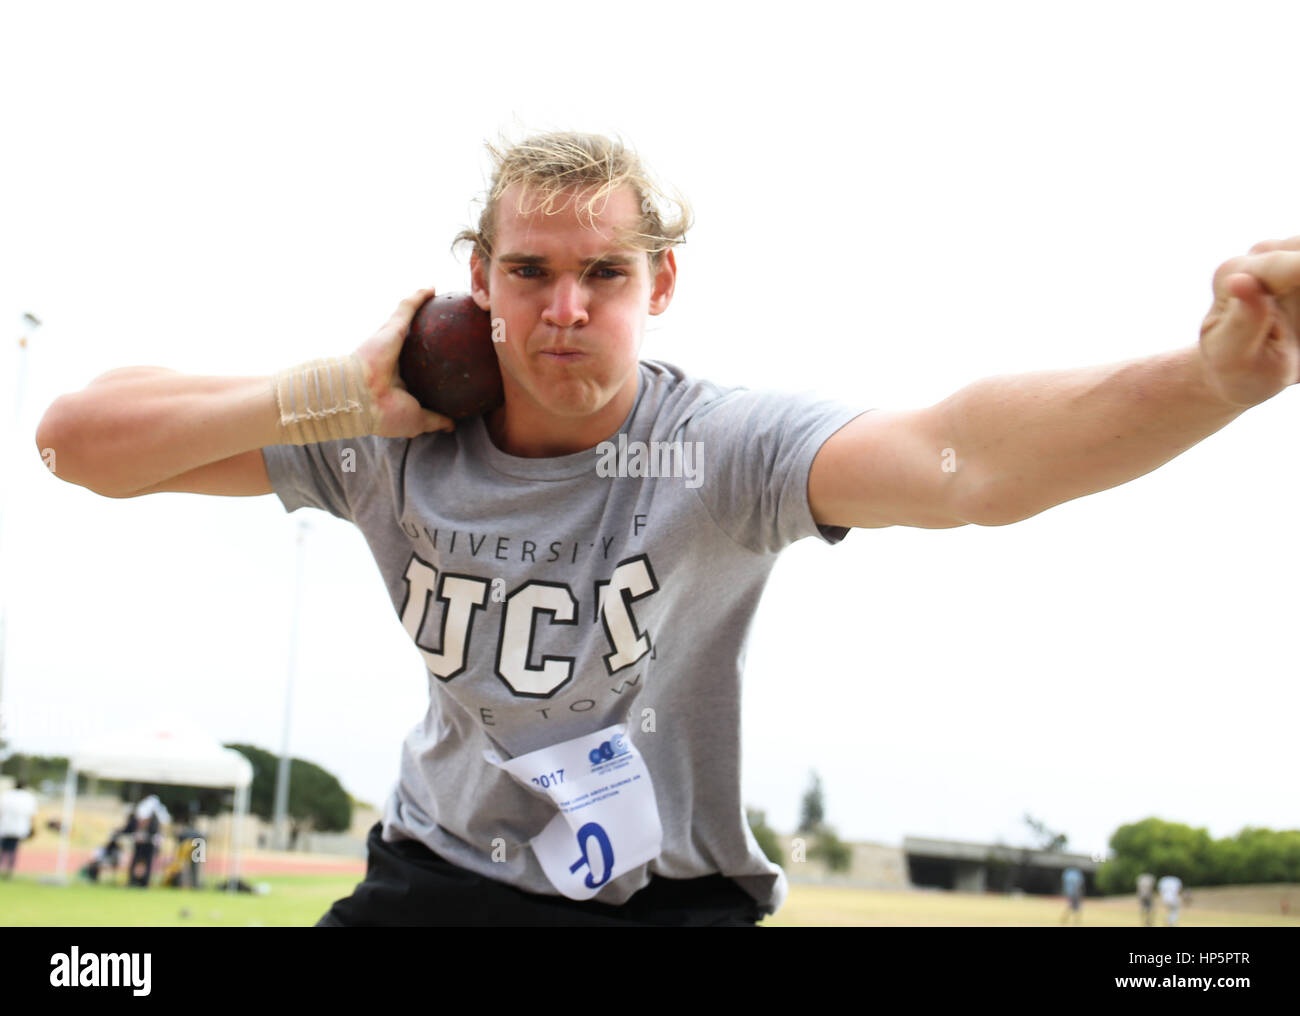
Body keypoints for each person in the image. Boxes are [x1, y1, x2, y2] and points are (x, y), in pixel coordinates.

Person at [35, 131, 1300, 926]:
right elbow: (75, 441)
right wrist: (327, 392)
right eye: (528, 271)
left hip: (667, 900)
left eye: (605, 274)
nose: (565, 308)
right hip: (440, 876)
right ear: (478, 279)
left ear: (661, 285)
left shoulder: (723, 448)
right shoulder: (388, 431)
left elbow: (962, 459)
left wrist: (1209, 381)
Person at [127, 793, 170, 888]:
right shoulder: (148, 813)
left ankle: (143, 881)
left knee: (146, 863)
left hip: (149, 844)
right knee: (137, 861)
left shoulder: (155, 818)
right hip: (141, 843)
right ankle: (134, 880)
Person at [0, 780, 39, 879]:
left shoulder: (7, 795)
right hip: (19, 827)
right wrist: (32, 826)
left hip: (5, 826)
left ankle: (4, 868)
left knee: (3, 848)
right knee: (13, 849)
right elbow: (32, 814)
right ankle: (9, 870)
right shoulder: (28, 797)